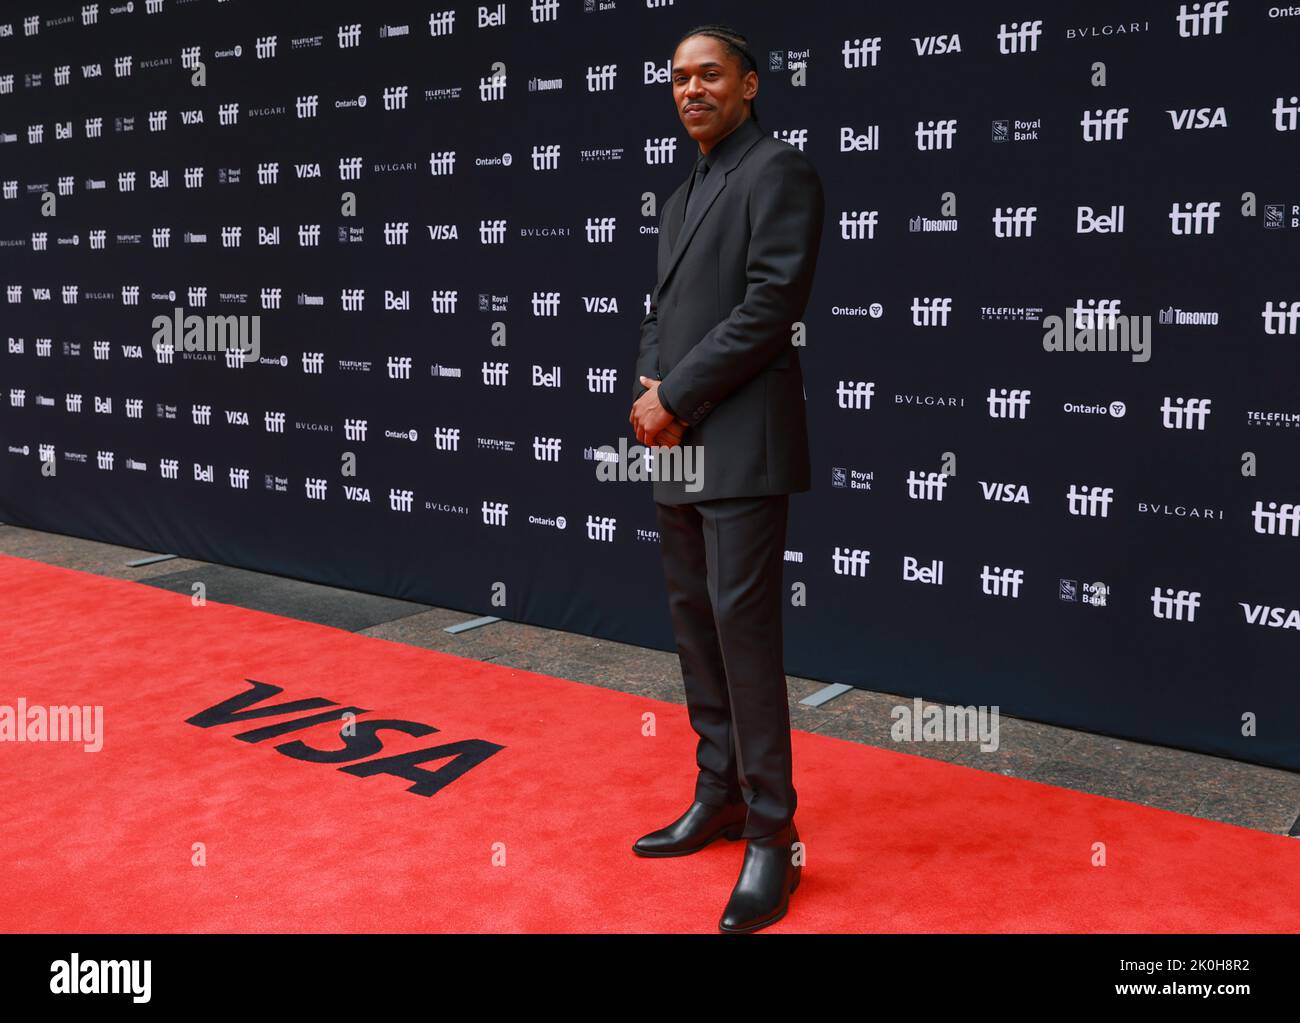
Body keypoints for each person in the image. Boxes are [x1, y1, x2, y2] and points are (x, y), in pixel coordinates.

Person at [627, 23, 825, 934]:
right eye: (678, 78)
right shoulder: (681, 195)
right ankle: (722, 794)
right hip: (679, 440)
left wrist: (678, 396)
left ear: (749, 85)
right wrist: (648, 387)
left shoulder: (777, 172)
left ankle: (775, 838)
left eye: (709, 75)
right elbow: (662, 311)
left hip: (741, 442)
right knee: (696, 625)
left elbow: (770, 307)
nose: (691, 89)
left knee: (744, 635)